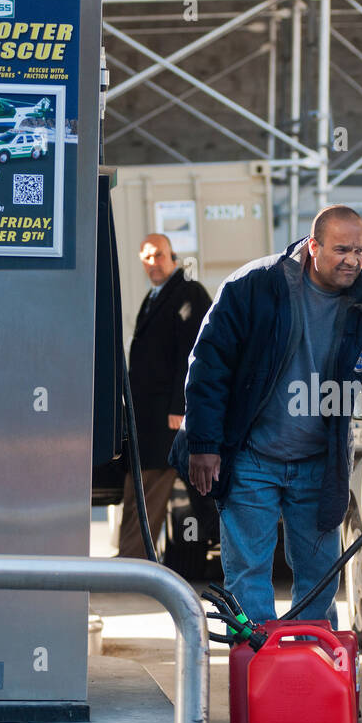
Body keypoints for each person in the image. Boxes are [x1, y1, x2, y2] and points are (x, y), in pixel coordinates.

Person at [171, 205, 362, 627]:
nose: (352, 259)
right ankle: (257, 676)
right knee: (248, 578)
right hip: (251, 458)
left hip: (319, 462)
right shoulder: (255, 287)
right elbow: (209, 366)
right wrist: (204, 444)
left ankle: (310, 674)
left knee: (319, 580)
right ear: (313, 246)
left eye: (360, 250)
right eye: (341, 249)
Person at [118, 233, 211, 558]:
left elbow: (194, 353)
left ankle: (134, 559)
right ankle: (129, 556)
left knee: (154, 486)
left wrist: (180, 405)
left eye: (158, 255)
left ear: (173, 256)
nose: (152, 263)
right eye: (146, 256)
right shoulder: (154, 296)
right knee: (139, 486)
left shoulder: (188, 294)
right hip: (147, 417)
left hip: (169, 417)